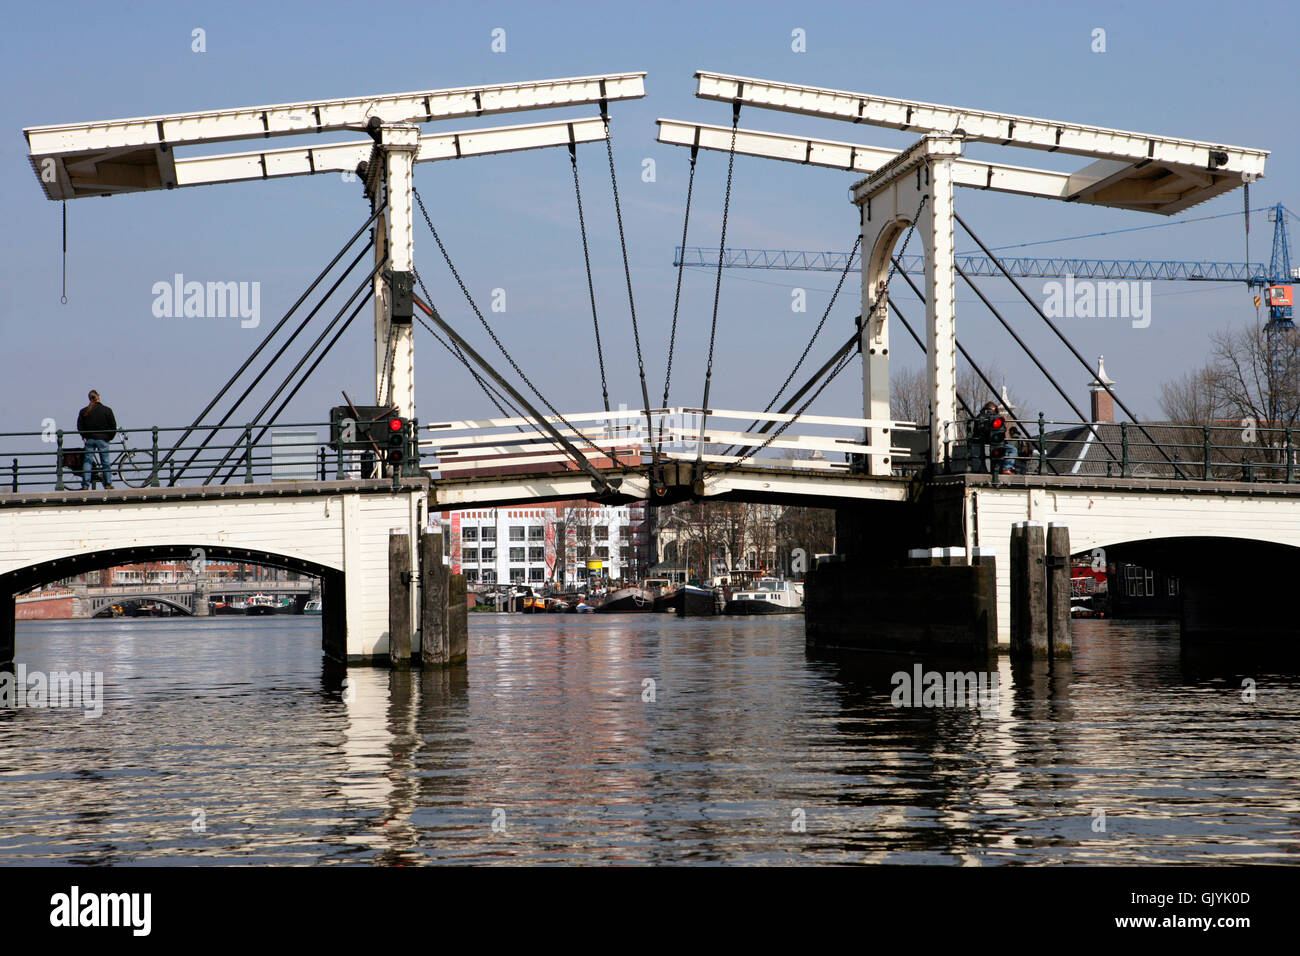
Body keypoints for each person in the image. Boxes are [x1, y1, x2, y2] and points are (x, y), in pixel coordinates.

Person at [76, 390, 118, 489]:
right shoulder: (107, 410)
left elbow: (79, 426)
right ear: (98, 397)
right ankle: (107, 483)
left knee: (87, 462)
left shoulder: (84, 411)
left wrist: (84, 436)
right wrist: (110, 437)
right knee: (105, 462)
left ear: (89, 398)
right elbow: (113, 426)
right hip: (103, 439)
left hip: (89, 439)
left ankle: (85, 485)